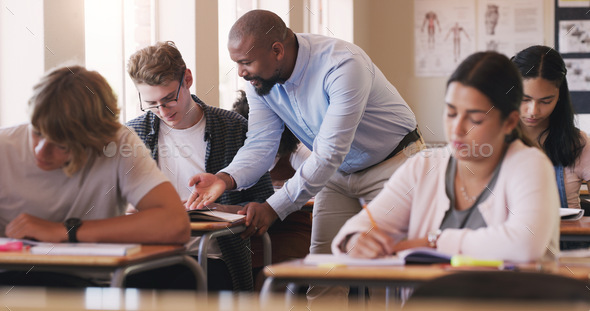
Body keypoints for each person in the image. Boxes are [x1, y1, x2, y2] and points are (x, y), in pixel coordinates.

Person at [188, 9, 422, 253]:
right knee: (322, 271)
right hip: (337, 175)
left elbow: (328, 153)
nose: (240, 73)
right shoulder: (259, 82)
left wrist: (272, 208)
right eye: (236, 63)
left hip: (392, 165)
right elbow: (260, 144)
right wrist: (223, 179)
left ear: (277, 51)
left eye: (246, 63)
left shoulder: (343, 64)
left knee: (390, 267)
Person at [332, 51, 559, 263]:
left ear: (509, 122)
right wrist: (355, 240)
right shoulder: (424, 165)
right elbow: (362, 226)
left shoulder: (529, 164)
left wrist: (436, 242)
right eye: (451, 113)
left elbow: (525, 244)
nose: (457, 128)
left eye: (475, 119)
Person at [0, 65, 190, 285]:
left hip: (90, 282)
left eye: (60, 144)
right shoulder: (5, 146)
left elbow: (175, 223)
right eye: (37, 132)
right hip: (10, 278)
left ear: (94, 141)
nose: (40, 150)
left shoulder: (117, 144)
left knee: (180, 277)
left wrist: (66, 231)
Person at [126, 41, 274, 291]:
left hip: (213, 257)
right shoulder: (133, 133)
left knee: (186, 287)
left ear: (187, 79)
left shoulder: (232, 127)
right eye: (151, 104)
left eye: (169, 99)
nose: (162, 111)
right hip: (146, 254)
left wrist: (222, 209)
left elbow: (263, 202)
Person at [232, 90, 312, 289]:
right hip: (252, 233)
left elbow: (324, 181)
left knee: (268, 278)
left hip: (290, 231)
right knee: (231, 271)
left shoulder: (298, 153)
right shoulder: (240, 158)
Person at [512, 45, 589, 210]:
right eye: (524, 99)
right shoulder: (490, 140)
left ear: (559, 97)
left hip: (565, 235)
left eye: (546, 101)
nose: (533, 111)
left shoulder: (579, 143)